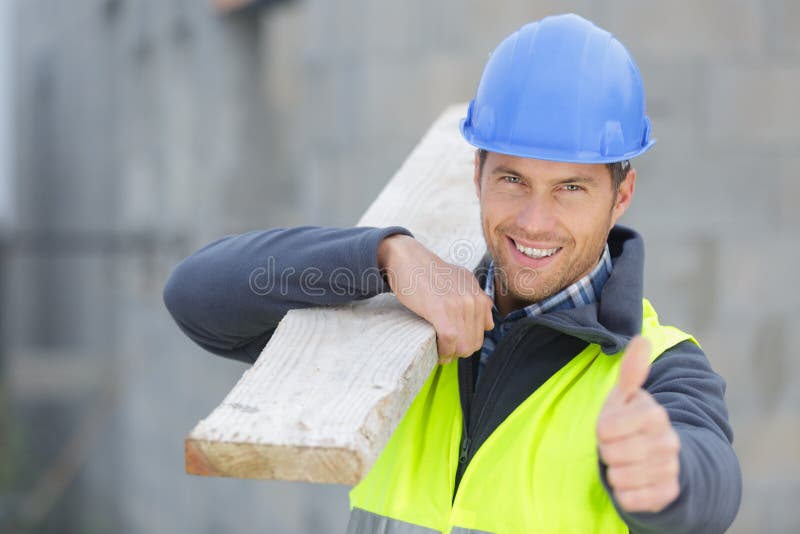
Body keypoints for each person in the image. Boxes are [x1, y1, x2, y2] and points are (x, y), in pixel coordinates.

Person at [164, 13, 741, 533]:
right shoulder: (397, 326)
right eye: (512, 180)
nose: (534, 221)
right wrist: (384, 256)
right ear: (477, 174)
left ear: (621, 195)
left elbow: (711, 487)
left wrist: (665, 477)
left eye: (570, 188)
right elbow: (196, 295)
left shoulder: (659, 369)